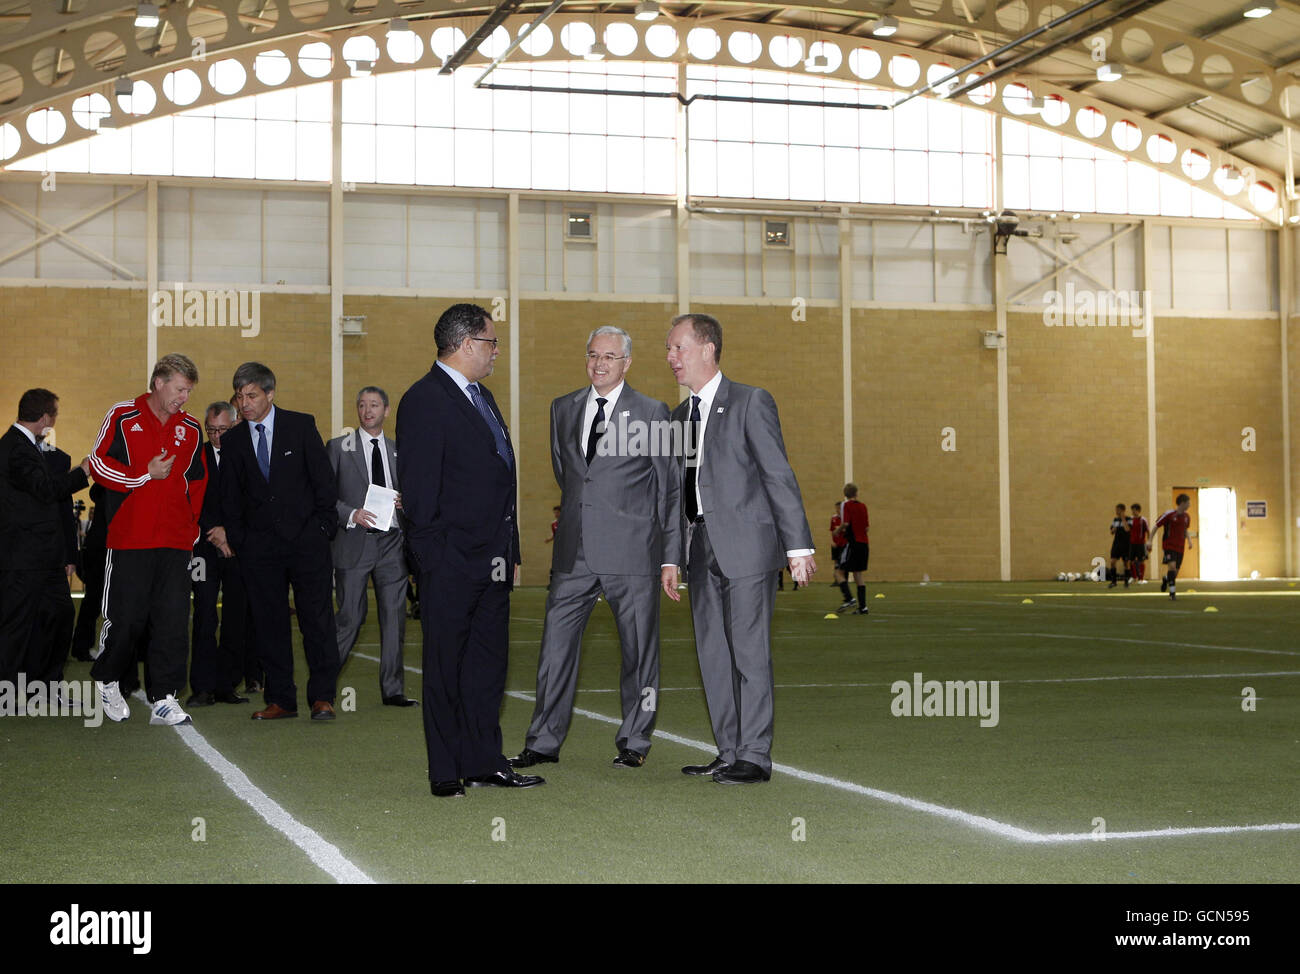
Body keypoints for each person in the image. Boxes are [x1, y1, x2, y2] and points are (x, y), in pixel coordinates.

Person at [510, 326, 680, 772]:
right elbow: (570, 475)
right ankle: (542, 743)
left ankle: (635, 740)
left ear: (627, 362)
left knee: (640, 654)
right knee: (554, 651)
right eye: (592, 355)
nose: (599, 363)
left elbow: (669, 490)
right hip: (574, 553)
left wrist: (670, 556)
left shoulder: (653, 411)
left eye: (609, 356)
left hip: (634, 555)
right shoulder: (562, 408)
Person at [397, 303, 540, 797]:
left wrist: (511, 549)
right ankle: (445, 770)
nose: (496, 351)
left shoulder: (483, 396)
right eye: (491, 343)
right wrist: (432, 562)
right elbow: (418, 493)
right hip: (450, 563)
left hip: (493, 561)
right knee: (444, 668)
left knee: (486, 667)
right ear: (464, 345)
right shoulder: (424, 399)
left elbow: (503, 478)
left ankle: (484, 760)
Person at [665, 312, 815, 785]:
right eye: (669, 350)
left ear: (707, 349)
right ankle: (728, 750)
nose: (671, 358)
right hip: (698, 547)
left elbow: (778, 474)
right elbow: (674, 494)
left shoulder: (751, 402)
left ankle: (754, 755)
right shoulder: (678, 417)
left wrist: (798, 546)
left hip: (747, 547)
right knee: (712, 654)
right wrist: (671, 556)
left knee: (749, 654)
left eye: (678, 348)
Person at [88, 355, 208, 726]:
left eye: (189, 391)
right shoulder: (123, 416)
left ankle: (165, 697)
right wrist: (143, 475)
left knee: (173, 621)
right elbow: (96, 463)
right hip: (130, 539)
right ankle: (108, 679)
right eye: (179, 389)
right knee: (126, 620)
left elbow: (197, 480)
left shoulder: (190, 427)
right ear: (158, 382)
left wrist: (193, 527)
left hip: (175, 541)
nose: (184, 398)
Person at [219, 362, 340, 721]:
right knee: (269, 625)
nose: (245, 404)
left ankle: (323, 698)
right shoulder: (234, 439)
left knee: (316, 621)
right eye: (240, 397)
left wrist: (322, 529)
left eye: (252, 395)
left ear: (270, 394)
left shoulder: (301, 425)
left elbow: (324, 481)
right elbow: (230, 497)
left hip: (307, 544)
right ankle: (281, 700)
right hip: (259, 550)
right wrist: (241, 542)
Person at [328, 386, 415, 708]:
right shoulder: (338, 448)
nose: (367, 411)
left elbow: (412, 493)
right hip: (354, 541)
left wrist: (408, 503)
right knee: (350, 616)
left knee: (395, 619)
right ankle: (324, 687)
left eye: (374, 405)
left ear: (386, 410)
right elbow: (323, 496)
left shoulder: (399, 451)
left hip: (392, 543)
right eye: (362, 405)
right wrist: (351, 513)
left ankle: (393, 690)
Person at [0, 389, 90, 688]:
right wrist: (83, 472)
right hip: (24, 556)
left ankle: (45, 683)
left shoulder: (26, 446)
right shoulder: (16, 448)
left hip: (41, 556)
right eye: (55, 415)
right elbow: (46, 490)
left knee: (60, 615)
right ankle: (7, 690)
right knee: (17, 625)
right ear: (45, 418)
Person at [186, 402, 250, 707]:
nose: (216, 436)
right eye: (210, 430)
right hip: (203, 547)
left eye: (222, 429)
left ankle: (227, 684)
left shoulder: (247, 452)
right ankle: (201, 686)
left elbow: (252, 499)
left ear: (234, 424)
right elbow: (191, 498)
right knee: (204, 614)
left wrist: (231, 534)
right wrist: (214, 530)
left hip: (237, 547)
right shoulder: (195, 454)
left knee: (236, 616)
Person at [835, 483, 869, 615]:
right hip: (864, 544)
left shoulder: (846, 505)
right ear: (857, 493)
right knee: (858, 574)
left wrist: (837, 531)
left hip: (853, 543)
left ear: (845, 494)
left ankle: (849, 598)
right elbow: (866, 528)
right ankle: (863, 607)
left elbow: (846, 523)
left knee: (838, 572)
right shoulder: (863, 506)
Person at [1151, 495, 1192, 600]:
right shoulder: (1169, 514)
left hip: (1180, 546)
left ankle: (1166, 579)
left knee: (1175, 572)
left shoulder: (1187, 517)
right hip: (1169, 545)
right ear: (1182, 503)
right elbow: (1156, 526)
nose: (1189, 504)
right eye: (1188, 502)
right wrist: (1149, 540)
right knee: (1172, 567)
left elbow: (1185, 530)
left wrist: (1190, 540)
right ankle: (1172, 594)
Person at [1126, 502, 1149, 586]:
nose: (1132, 512)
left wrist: (1149, 542)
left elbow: (1148, 531)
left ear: (1138, 511)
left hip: (1141, 543)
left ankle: (1141, 579)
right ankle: (1134, 577)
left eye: (1134, 510)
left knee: (1141, 561)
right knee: (1130, 560)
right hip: (1132, 543)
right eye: (1132, 510)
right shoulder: (1130, 520)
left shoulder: (1143, 520)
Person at [1108, 503, 1130, 587]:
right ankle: (1114, 582)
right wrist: (1115, 527)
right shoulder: (1115, 520)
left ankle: (1126, 582)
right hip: (1116, 544)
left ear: (1122, 510)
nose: (1116, 511)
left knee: (1126, 563)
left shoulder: (1129, 519)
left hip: (1125, 544)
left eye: (1118, 510)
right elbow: (1112, 532)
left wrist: (1123, 519)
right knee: (1113, 562)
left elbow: (1127, 529)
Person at [829, 503, 844, 588]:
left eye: (839, 508)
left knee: (843, 562)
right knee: (836, 561)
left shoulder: (845, 518)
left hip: (843, 544)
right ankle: (836, 580)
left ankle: (842, 579)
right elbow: (831, 531)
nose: (837, 510)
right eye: (836, 508)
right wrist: (832, 541)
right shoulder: (833, 518)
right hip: (835, 544)